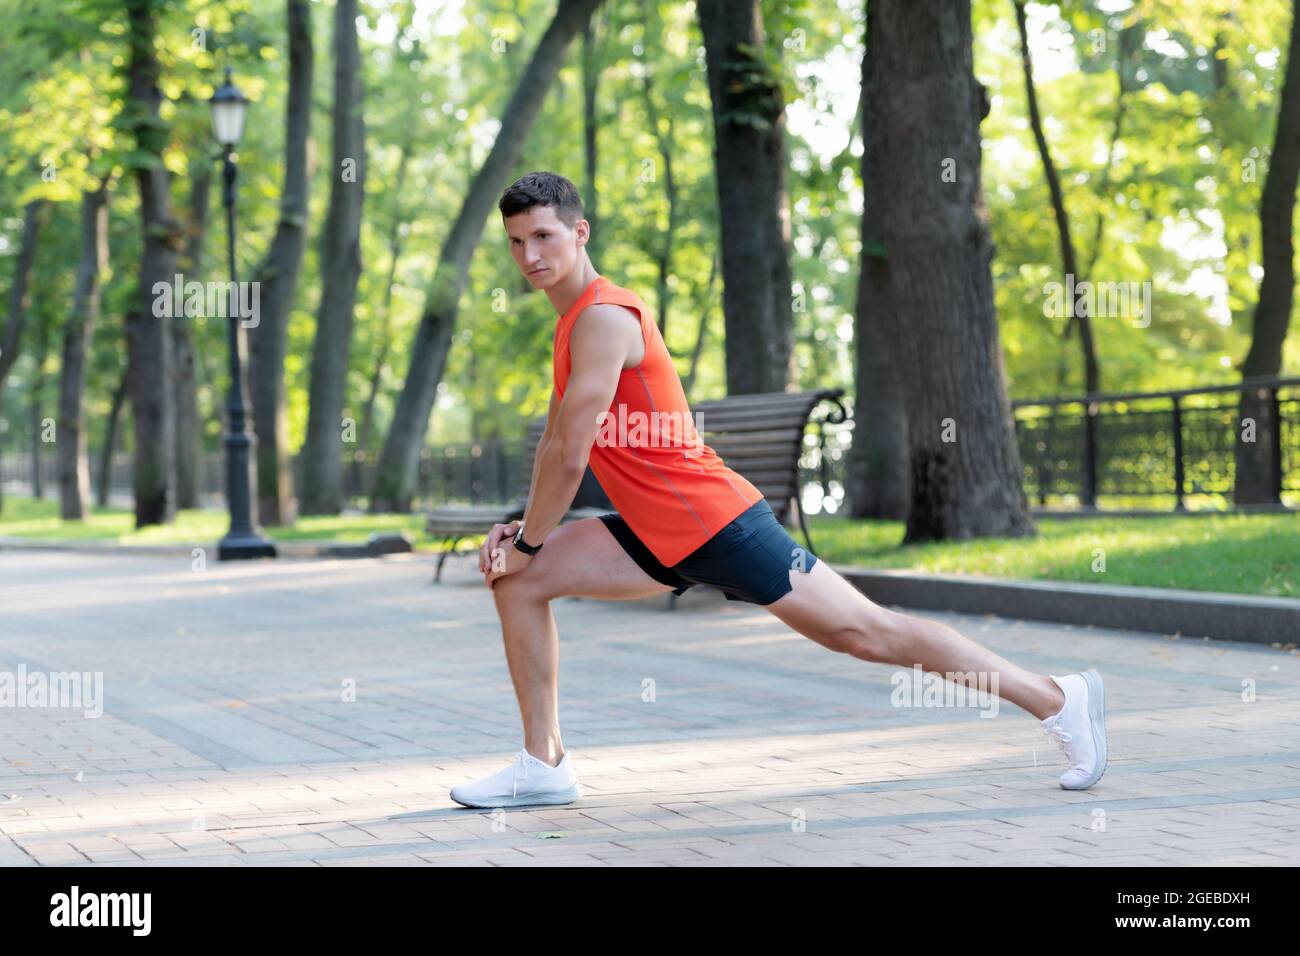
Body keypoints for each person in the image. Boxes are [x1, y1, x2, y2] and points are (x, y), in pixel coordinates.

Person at [449, 171, 1106, 809]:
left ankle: (1054, 699)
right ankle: (544, 765)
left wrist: (533, 539)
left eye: (542, 237)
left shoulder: (603, 318)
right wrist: (520, 533)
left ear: (580, 232)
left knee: (866, 633)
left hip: (713, 523)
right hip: (655, 533)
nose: (529, 255)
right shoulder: (571, 324)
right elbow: (552, 446)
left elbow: (572, 454)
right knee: (518, 582)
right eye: (516, 242)